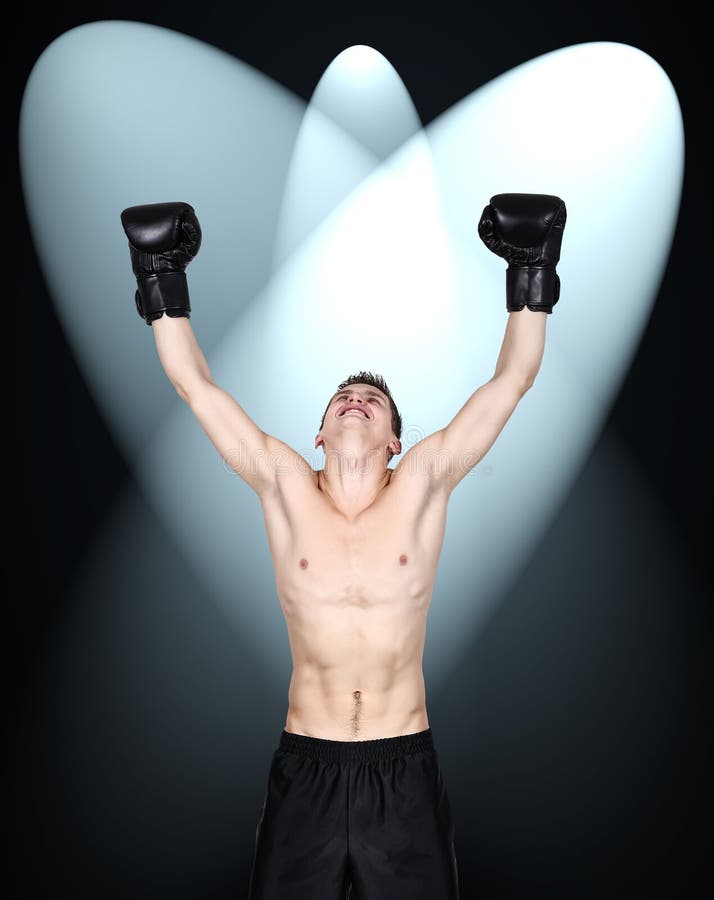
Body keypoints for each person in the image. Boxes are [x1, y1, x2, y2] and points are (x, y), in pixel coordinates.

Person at [120, 192, 567, 900]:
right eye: (342, 398)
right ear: (319, 434)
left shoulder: (422, 482)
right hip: (307, 772)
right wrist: (158, 271)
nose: (355, 399)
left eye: (373, 399)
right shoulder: (283, 484)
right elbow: (193, 384)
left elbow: (512, 380)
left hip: (404, 771)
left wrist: (531, 270)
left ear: (396, 440)